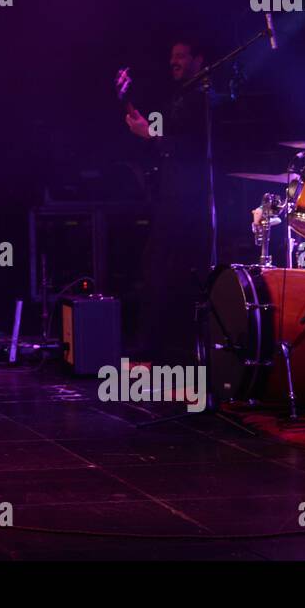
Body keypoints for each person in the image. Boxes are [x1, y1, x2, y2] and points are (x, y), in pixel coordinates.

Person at [117, 39, 217, 364]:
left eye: (181, 56)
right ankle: (158, 345)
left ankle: (166, 347)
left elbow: (189, 148)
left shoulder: (203, 100)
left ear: (198, 59)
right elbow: (167, 141)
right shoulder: (180, 96)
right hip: (172, 193)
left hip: (191, 198)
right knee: (158, 265)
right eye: (171, 55)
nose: (173, 61)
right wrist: (144, 128)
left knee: (168, 266)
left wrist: (151, 135)